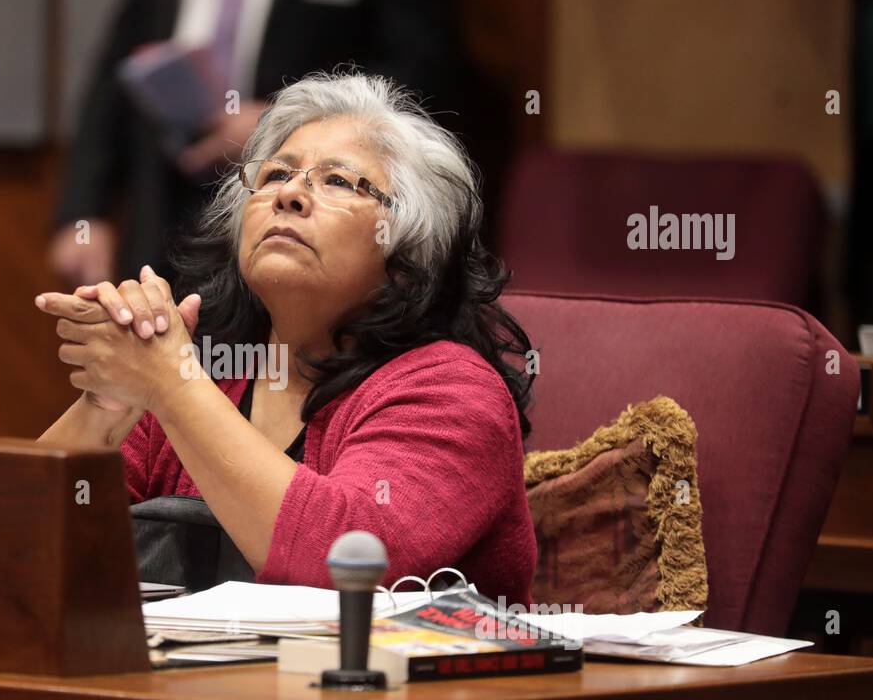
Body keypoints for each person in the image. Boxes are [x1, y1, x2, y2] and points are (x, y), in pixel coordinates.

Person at [35, 70, 534, 604]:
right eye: (274, 176)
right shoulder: (212, 375)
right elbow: (18, 536)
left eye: (339, 181)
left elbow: (352, 560)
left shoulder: (453, 390)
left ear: (409, 255)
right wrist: (110, 401)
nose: (290, 194)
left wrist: (170, 383)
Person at [48, 0, 461, 288]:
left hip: (298, 203)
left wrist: (278, 124)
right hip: (165, 196)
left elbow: (423, 65)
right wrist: (84, 209)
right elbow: (121, 58)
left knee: (264, 371)